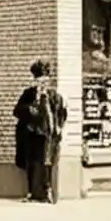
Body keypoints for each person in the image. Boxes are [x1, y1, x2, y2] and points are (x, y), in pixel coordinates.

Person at [13, 59, 67, 203]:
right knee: (32, 163)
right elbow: (17, 111)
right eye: (39, 81)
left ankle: (47, 191)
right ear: (35, 81)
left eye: (45, 81)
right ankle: (32, 192)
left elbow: (61, 113)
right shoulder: (28, 95)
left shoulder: (54, 96)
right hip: (32, 135)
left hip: (48, 136)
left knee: (47, 162)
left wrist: (59, 127)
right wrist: (30, 109)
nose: (42, 85)